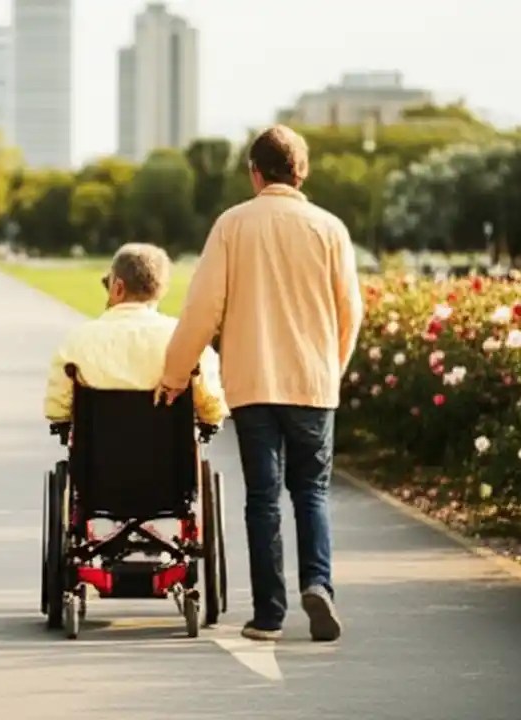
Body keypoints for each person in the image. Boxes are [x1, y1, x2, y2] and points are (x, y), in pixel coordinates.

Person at [157, 125, 363, 643]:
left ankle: (269, 614)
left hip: (252, 384)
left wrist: (175, 374)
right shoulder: (330, 227)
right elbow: (350, 311)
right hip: (312, 383)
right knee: (311, 492)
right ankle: (318, 584)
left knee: (263, 498)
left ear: (254, 172)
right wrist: (330, 369)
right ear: (303, 170)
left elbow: (203, 309)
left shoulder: (233, 224)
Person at [43, 242, 228, 427]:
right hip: (168, 452)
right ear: (161, 290)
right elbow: (213, 410)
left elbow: (56, 410)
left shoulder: (77, 341)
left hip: (98, 452)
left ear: (118, 287)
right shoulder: (186, 340)